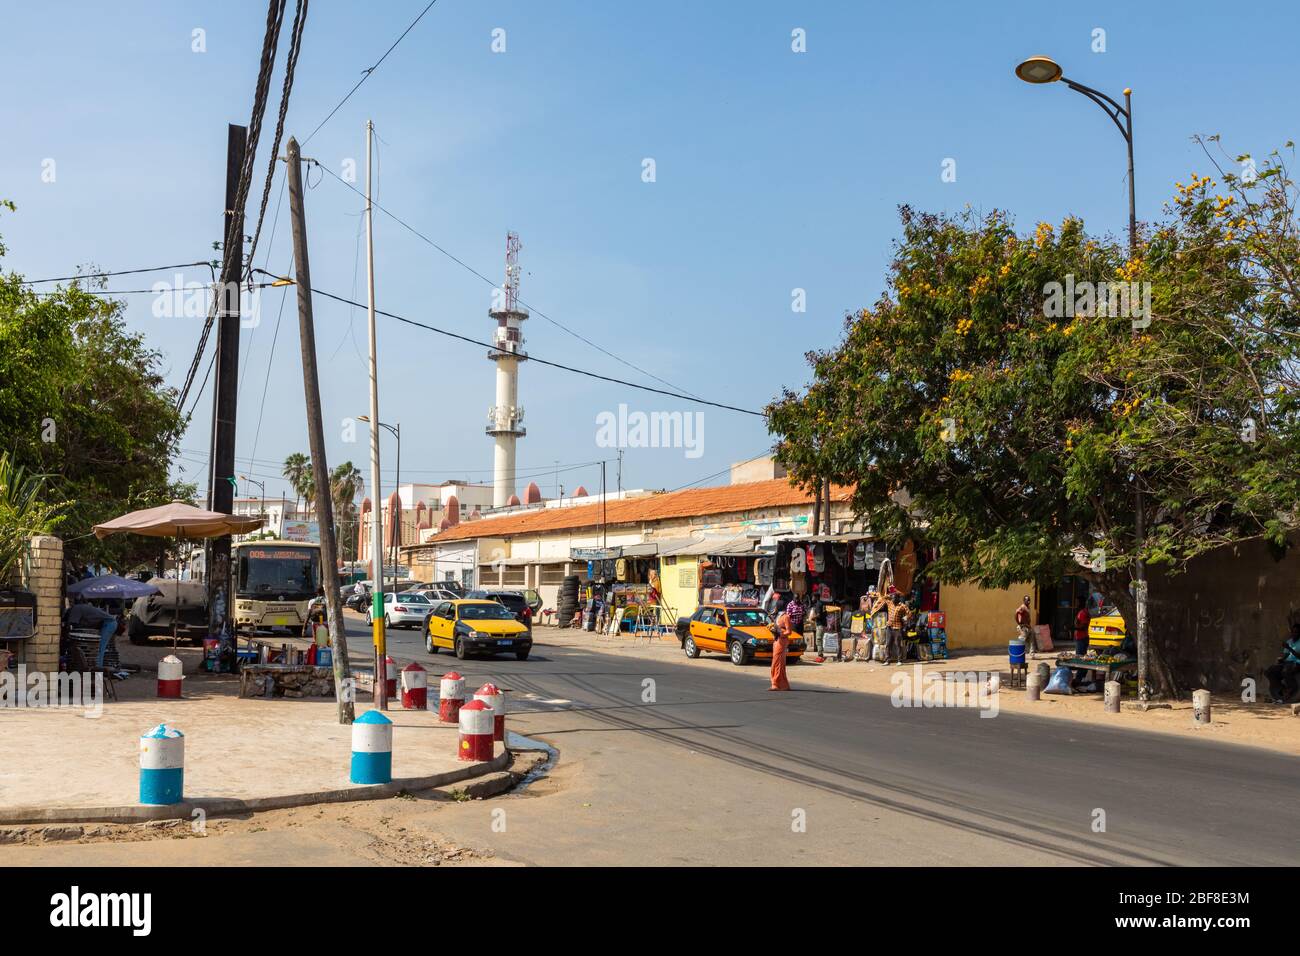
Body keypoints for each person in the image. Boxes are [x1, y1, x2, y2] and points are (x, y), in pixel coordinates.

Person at [66, 600, 116, 668]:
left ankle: (98, 672)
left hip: (109, 623)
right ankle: (95, 668)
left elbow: (72, 625)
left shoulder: (75, 609)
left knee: (99, 648)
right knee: (97, 648)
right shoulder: (78, 608)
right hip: (106, 623)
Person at [1265, 617, 1300, 704]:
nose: (1294, 634)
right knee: (1270, 671)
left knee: (1285, 671)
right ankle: (1282, 688)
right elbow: (1287, 654)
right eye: (1293, 632)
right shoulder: (1289, 641)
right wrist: (1281, 659)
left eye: (1296, 632)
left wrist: (1289, 648)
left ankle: (1293, 687)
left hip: (1297, 663)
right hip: (1288, 663)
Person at [769, 606, 792, 691]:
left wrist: (781, 634)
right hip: (776, 640)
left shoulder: (786, 617)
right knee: (777, 662)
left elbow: (789, 631)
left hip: (782, 641)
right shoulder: (777, 616)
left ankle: (776, 684)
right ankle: (782, 685)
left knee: (777, 662)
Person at [883, 587, 907, 665]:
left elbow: (909, 613)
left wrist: (905, 618)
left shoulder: (902, 606)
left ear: (898, 598)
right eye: (892, 598)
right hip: (889, 627)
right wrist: (891, 594)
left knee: (898, 644)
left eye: (894, 598)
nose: (893, 599)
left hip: (897, 627)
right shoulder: (889, 603)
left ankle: (899, 660)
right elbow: (884, 597)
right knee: (888, 644)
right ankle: (887, 660)